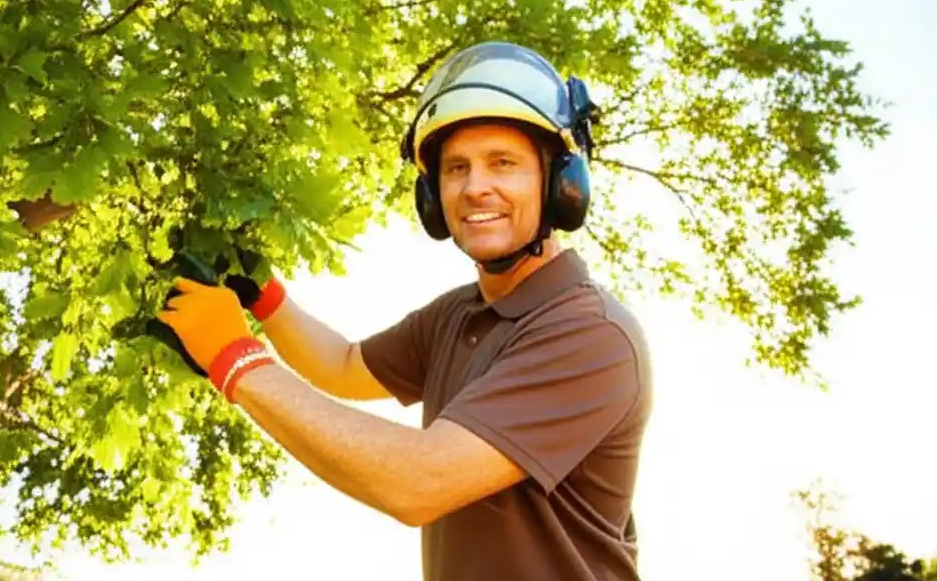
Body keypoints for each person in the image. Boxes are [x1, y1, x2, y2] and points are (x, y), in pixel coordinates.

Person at [158, 41, 654, 581]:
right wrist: (265, 297)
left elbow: (419, 482)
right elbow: (343, 366)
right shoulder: (459, 315)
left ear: (562, 185)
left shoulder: (589, 335)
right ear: (431, 197)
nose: (475, 187)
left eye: (503, 163)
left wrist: (236, 360)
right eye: (456, 168)